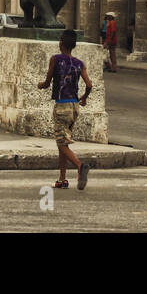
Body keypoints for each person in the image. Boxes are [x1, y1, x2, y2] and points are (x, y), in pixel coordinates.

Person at [37, 28, 92, 190]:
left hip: (62, 105)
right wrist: (84, 98)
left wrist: (41, 85)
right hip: (74, 106)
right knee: (64, 142)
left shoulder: (55, 59)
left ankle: (80, 166)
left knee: (61, 143)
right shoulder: (79, 63)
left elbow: (47, 83)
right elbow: (89, 85)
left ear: (60, 43)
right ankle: (62, 179)